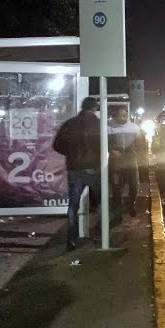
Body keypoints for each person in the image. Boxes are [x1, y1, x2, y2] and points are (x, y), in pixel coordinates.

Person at [50, 97, 104, 251]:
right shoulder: (98, 124)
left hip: (74, 168)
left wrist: (71, 154)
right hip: (94, 167)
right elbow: (106, 144)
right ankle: (101, 235)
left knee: (73, 205)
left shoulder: (70, 124)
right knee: (102, 202)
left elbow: (57, 145)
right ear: (94, 108)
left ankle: (71, 240)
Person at [108, 105, 147, 219]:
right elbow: (104, 143)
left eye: (125, 115)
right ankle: (117, 212)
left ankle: (130, 204)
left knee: (134, 187)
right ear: (115, 116)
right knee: (116, 188)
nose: (123, 118)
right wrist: (111, 150)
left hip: (131, 162)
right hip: (116, 164)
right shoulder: (109, 127)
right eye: (120, 115)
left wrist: (140, 155)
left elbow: (142, 144)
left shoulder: (134, 128)